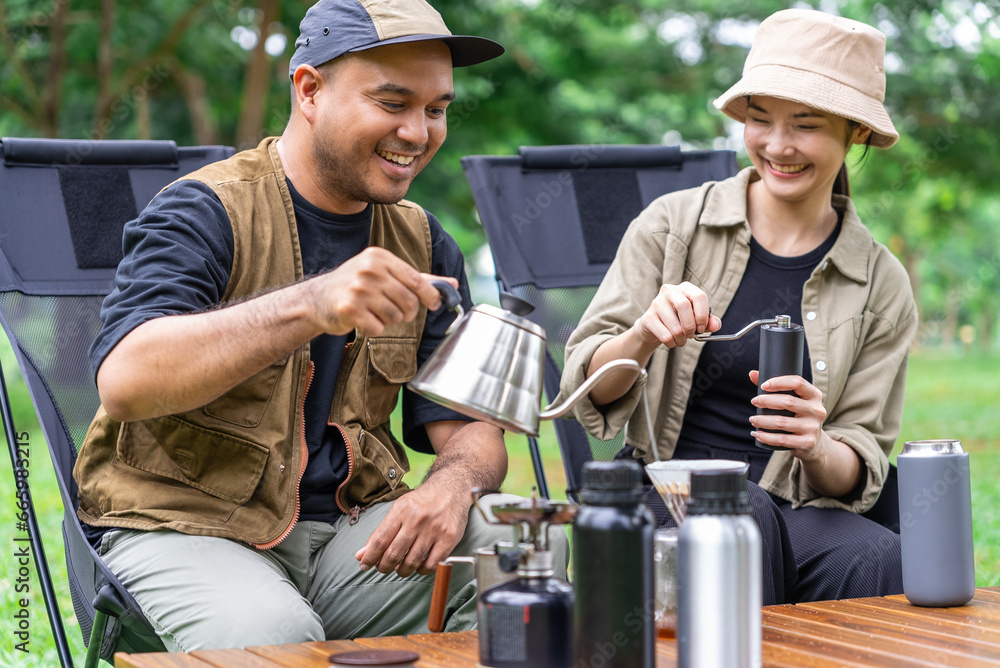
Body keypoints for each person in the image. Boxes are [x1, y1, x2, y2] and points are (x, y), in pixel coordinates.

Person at [72, 0, 566, 651]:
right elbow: (127, 379)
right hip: (182, 530)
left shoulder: (422, 241)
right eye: (393, 103)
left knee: (534, 548)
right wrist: (312, 304)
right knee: (275, 636)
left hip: (347, 541)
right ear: (309, 90)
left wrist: (452, 486)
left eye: (436, 108)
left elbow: (471, 429)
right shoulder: (203, 212)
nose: (417, 133)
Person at [561, 8, 917, 604]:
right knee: (738, 513)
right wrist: (643, 335)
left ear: (855, 131)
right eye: (759, 120)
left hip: (799, 503)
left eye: (806, 125)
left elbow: (861, 464)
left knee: (884, 559)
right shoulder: (672, 227)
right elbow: (585, 388)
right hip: (662, 494)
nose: (778, 146)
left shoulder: (879, 281)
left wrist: (816, 443)